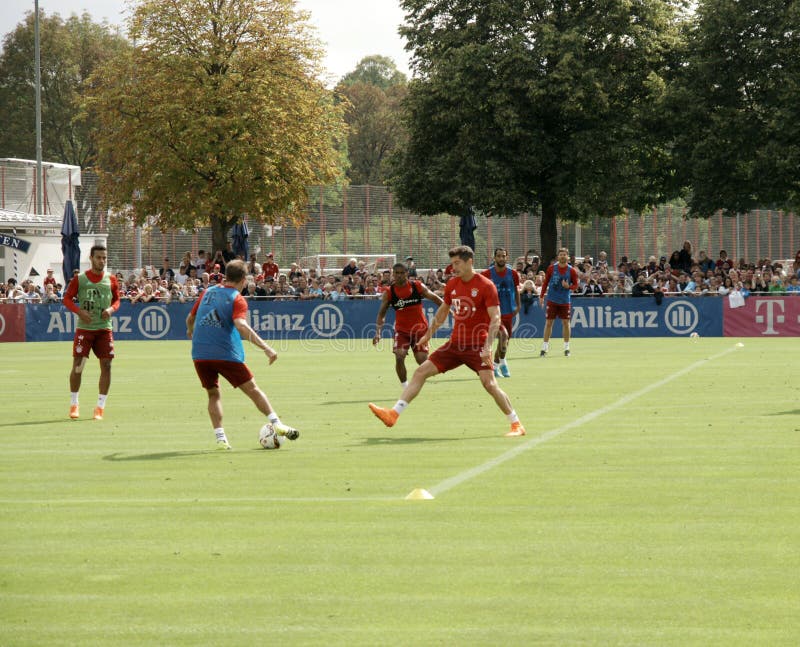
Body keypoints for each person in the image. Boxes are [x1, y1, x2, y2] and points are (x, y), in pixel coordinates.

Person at [368, 245, 527, 438]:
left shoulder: (486, 285)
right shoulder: (452, 284)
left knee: (490, 385)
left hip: (478, 346)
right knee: (420, 372)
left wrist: (487, 347)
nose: (453, 267)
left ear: (470, 262)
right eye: (452, 263)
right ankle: (393, 414)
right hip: (454, 345)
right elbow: (442, 313)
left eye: (457, 263)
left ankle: (516, 424)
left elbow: (496, 318)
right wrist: (427, 335)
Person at [186, 259, 300, 450]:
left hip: (199, 353)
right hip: (224, 353)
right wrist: (266, 348)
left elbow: (190, 319)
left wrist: (191, 332)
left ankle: (221, 439)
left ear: (225, 275)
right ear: (244, 280)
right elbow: (241, 325)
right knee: (253, 389)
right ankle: (277, 424)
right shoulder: (237, 298)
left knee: (213, 394)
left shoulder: (208, 292)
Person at [62, 244, 120, 420]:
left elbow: (117, 300)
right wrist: (79, 312)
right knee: (79, 366)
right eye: (98, 257)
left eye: (104, 258)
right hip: (85, 330)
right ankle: (74, 404)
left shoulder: (111, 279)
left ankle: (100, 407)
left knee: (107, 366)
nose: (102, 261)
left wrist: (110, 310)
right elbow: (67, 299)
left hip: (104, 329)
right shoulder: (80, 279)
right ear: (91, 258)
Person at [372, 262, 444, 388]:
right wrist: (378, 332)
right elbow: (381, 314)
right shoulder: (389, 293)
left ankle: (432, 369)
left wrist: (450, 310)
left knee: (422, 360)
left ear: (407, 273)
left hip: (420, 329)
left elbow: (436, 299)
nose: (399, 275)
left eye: (402, 273)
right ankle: (405, 387)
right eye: (396, 273)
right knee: (399, 356)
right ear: (393, 274)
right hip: (402, 330)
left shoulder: (417, 286)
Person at [481, 247, 521, 378]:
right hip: (492, 313)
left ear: (507, 257)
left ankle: (498, 364)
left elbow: (515, 290)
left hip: (508, 311)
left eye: (503, 256)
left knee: (505, 341)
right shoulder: (486, 274)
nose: (501, 258)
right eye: (498, 256)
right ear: (494, 258)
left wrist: (518, 305)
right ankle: (500, 365)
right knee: (502, 337)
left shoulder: (513, 274)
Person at [539, 247, 579, 357]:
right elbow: (545, 283)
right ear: (558, 256)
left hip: (565, 301)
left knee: (566, 323)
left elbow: (576, 285)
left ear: (568, 257)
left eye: (564, 254)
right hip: (552, 299)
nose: (562, 256)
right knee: (548, 323)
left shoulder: (571, 270)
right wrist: (542, 296)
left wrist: (569, 287)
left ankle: (567, 348)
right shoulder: (551, 269)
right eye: (560, 254)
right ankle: (544, 347)